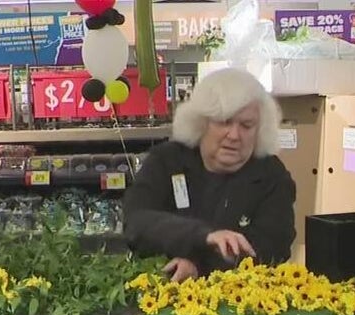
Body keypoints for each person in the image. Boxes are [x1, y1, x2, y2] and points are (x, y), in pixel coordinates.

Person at [124, 67, 295, 282]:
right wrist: (202, 236)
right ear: (201, 123)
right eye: (224, 122)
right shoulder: (167, 160)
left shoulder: (272, 175)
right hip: (159, 284)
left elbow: (273, 246)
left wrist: (198, 266)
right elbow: (137, 222)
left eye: (246, 125)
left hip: (240, 294)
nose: (234, 135)